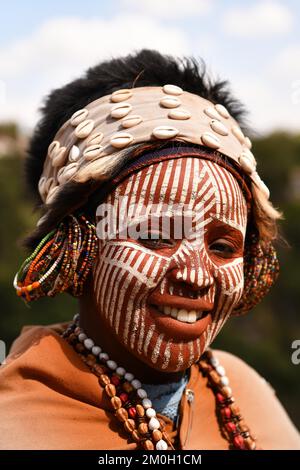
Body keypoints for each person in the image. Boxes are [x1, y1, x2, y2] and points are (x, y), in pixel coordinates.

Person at [0, 49, 299, 450]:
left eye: (223, 246)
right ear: (76, 247)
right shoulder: (16, 425)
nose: (195, 275)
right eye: (157, 235)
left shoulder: (244, 391)